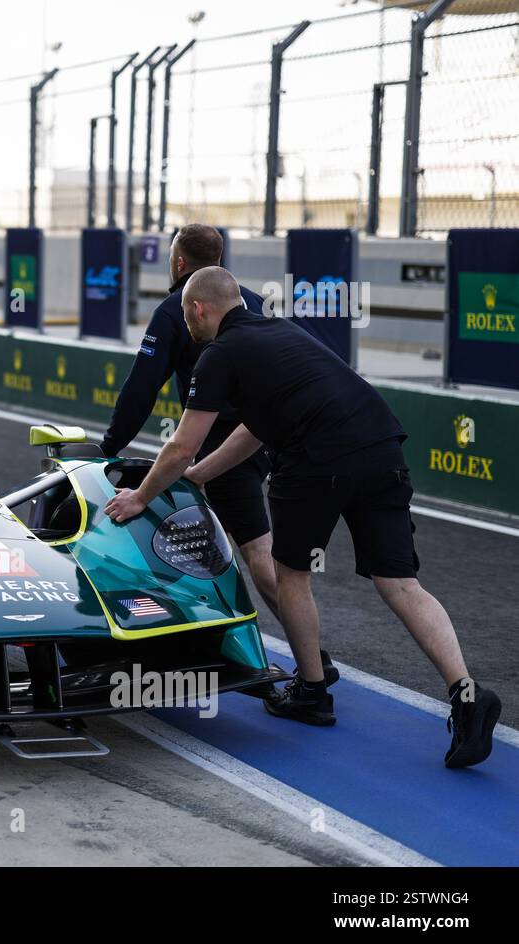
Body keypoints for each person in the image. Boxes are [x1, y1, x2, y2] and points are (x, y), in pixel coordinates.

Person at [103, 266, 501, 769]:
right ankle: (466, 694)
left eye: (186, 313)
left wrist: (140, 496)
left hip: (319, 462)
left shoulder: (218, 354)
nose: (187, 321)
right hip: (381, 448)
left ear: (197, 309)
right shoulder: (280, 330)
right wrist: (201, 476)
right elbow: (253, 428)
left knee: (291, 575)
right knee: (400, 583)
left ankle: (312, 691)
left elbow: (181, 445)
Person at [99, 224, 286, 625]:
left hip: (221, 444)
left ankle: (311, 655)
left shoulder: (174, 309)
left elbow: (142, 388)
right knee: (226, 541)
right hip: (264, 436)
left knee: (255, 548)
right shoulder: (250, 301)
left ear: (179, 262)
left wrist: (109, 448)